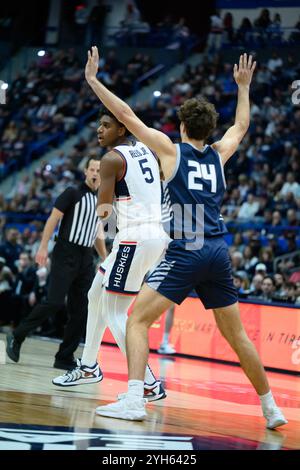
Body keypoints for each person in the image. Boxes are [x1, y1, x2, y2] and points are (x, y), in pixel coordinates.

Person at [85, 47, 287, 429]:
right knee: (238, 336)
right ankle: (272, 408)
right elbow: (241, 126)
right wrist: (243, 88)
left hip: (187, 246)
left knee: (137, 321)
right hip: (217, 249)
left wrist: (94, 81)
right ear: (209, 129)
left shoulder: (170, 151)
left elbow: (126, 115)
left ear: (181, 126)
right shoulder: (218, 154)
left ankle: (133, 400)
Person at [52, 108, 169, 403]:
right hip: (148, 234)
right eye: (98, 125)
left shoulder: (111, 159)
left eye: (106, 125)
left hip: (134, 238)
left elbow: (103, 211)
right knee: (95, 293)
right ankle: (89, 365)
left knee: (117, 312)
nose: (99, 130)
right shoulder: (146, 148)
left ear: (122, 128)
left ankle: (149, 383)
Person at [6, 157, 107, 370]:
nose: (96, 173)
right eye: (92, 169)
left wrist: (106, 258)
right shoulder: (72, 193)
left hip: (86, 257)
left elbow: (97, 232)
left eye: (99, 170)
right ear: (86, 172)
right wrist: (43, 247)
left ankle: (64, 357)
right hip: (65, 252)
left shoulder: (102, 200)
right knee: (54, 301)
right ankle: (17, 335)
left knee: (81, 309)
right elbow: (53, 219)